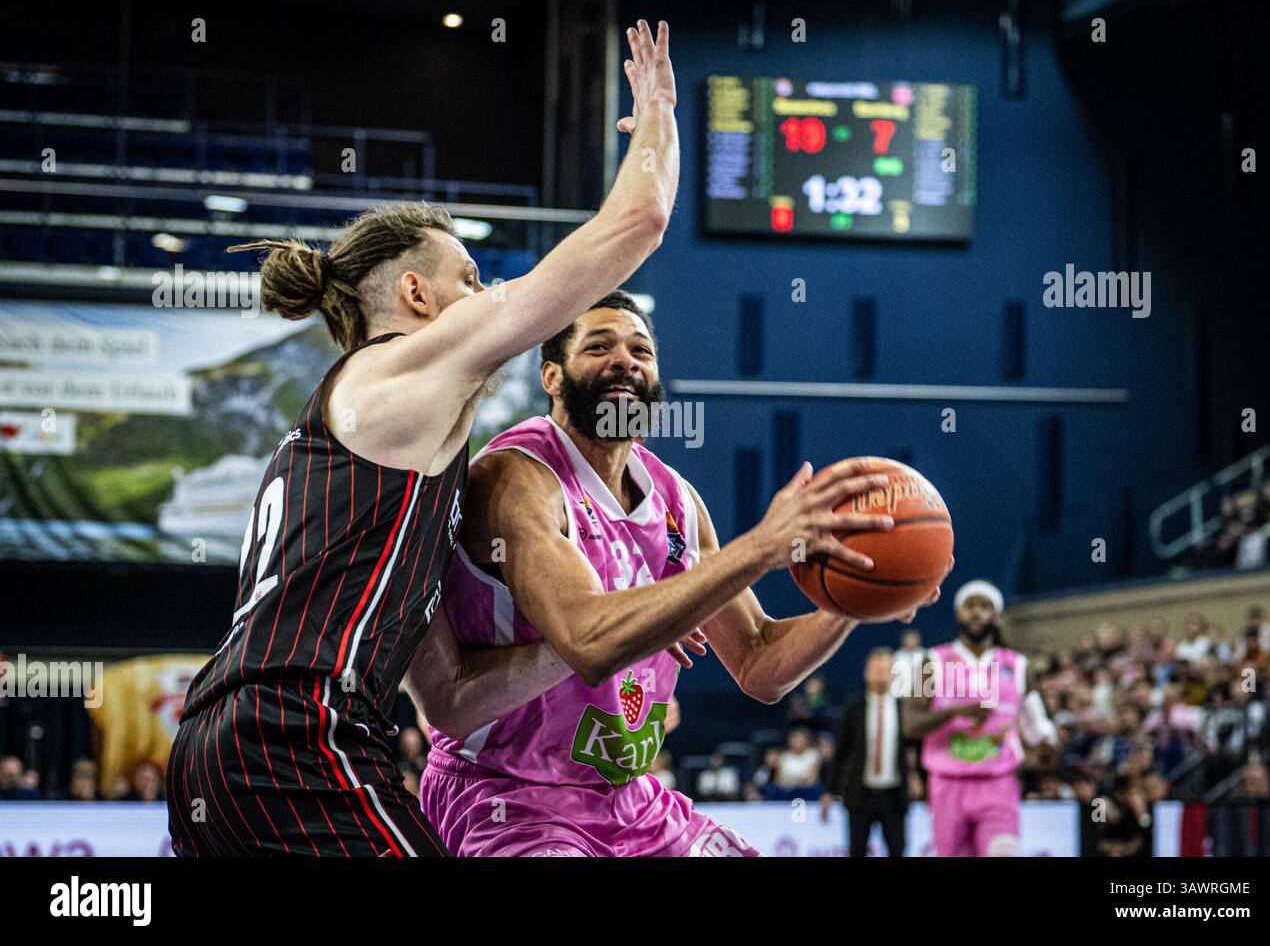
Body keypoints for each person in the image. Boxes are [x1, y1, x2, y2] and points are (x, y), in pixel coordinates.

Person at [167, 18, 683, 857]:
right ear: (413, 292)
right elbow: (639, 223)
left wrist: (611, 627)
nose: (488, 297)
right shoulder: (405, 369)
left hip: (223, 748)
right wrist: (657, 111)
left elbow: (449, 699)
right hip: (298, 739)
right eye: (469, 281)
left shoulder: (371, 449)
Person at [416, 292, 947, 857]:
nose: (625, 360)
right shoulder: (515, 479)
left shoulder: (677, 499)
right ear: (551, 375)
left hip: (629, 799)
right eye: (599, 346)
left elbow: (760, 664)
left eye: (641, 350)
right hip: (509, 796)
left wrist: (852, 598)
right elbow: (589, 642)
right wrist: (760, 548)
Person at [903, 580, 1056, 857]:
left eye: (985, 606)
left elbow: (1039, 730)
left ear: (996, 615)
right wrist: (955, 712)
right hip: (947, 784)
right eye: (970, 606)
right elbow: (911, 725)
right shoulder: (932, 662)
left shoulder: (1017, 666)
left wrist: (1048, 745)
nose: (976, 613)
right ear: (958, 613)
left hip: (999, 782)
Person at [822, 648, 908, 856]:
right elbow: (841, 751)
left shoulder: (903, 709)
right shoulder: (854, 709)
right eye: (875, 670)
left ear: (893, 674)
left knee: (897, 849)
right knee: (857, 850)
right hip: (860, 794)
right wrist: (829, 791)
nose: (880, 675)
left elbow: (916, 749)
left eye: (885, 670)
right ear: (866, 673)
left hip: (893, 795)